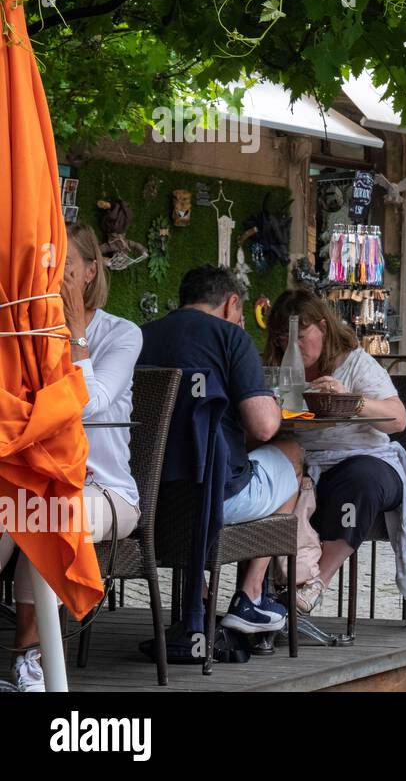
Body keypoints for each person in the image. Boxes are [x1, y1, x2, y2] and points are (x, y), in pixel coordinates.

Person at [0, 224, 143, 691]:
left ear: (88, 272)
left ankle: (32, 659)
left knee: (44, 514)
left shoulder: (121, 334)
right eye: (44, 264)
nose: (51, 275)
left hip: (105, 490)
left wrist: (76, 329)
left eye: (62, 265)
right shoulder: (26, 336)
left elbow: (93, 400)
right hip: (31, 478)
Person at [137, 265, 301, 636]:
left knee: (190, 467)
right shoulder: (229, 337)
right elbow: (263, 426)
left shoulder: (140, 337)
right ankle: (251, 595)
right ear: (231, 304)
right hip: (215, 499)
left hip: (146, 502)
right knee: (292, 453)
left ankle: (202, 597)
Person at [263, 290, 406, 615]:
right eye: (281, 339)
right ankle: (262, 594)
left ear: (323, 327)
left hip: (366, 461)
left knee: (360, 480)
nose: (291, 346)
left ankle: (316, 582)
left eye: (300, 337)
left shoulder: (355, 363)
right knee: (266, 476)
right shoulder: (281, 372)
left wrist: (351, 401)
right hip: (308, 467)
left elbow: (398, 418)